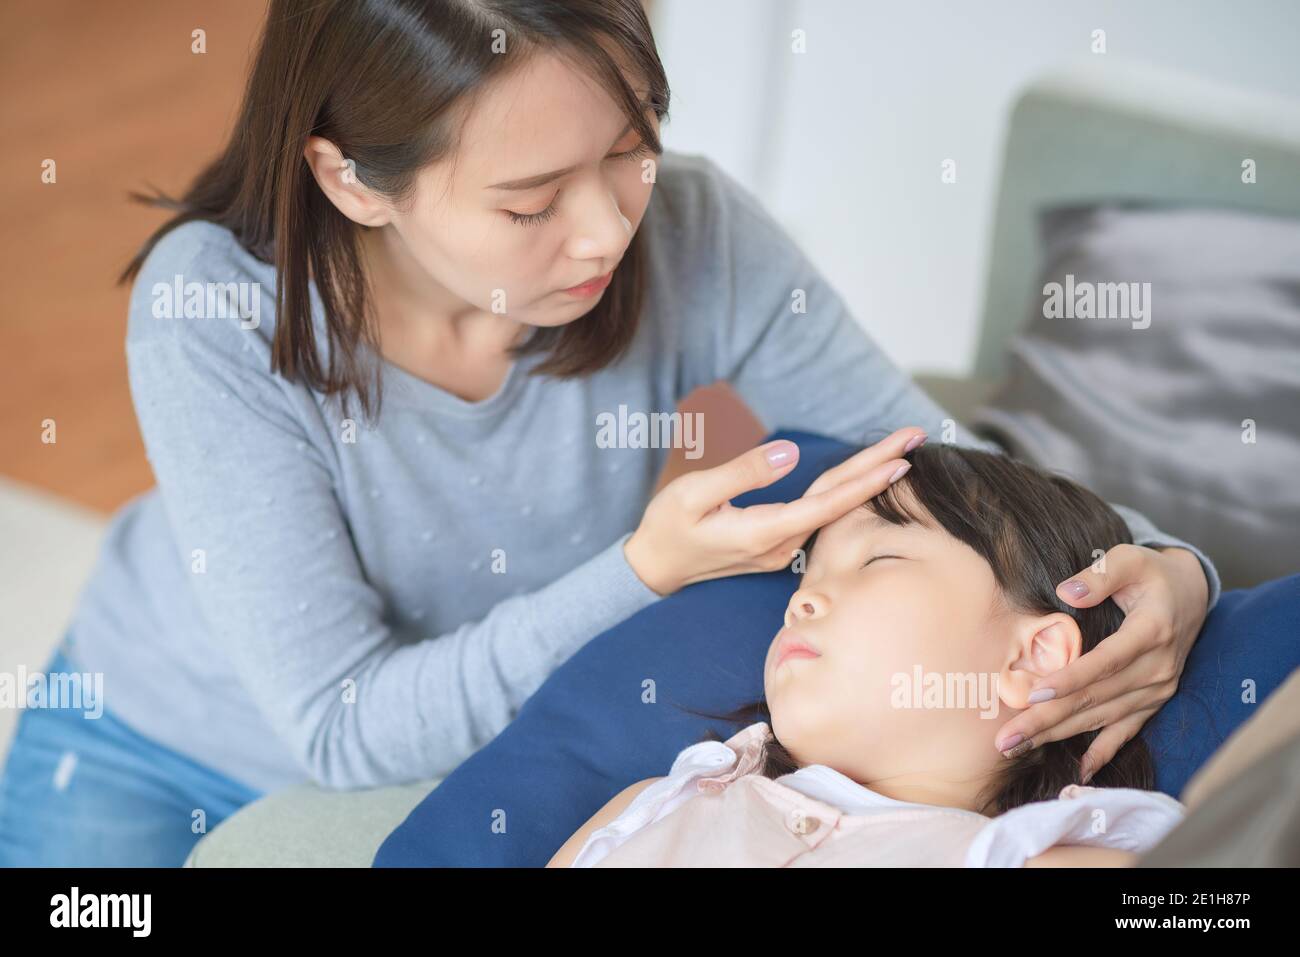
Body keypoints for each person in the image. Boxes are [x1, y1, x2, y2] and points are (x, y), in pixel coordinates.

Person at [0, 0, 1217, 867]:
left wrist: (1171, 567)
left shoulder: (695, 230)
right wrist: (644, 574)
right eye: (528, 202)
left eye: (630, 151)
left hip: (482, 732)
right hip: (157, 739)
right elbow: (339, 724)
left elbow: (947, 469)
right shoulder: (213, 309)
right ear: (352, 180)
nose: (604, 235)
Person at [550, 444, 1187, 867]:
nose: (801, 602)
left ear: (1034, 656)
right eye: (805, 579)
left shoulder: (1046, 855)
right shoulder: (652, 807)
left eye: (879, 560)